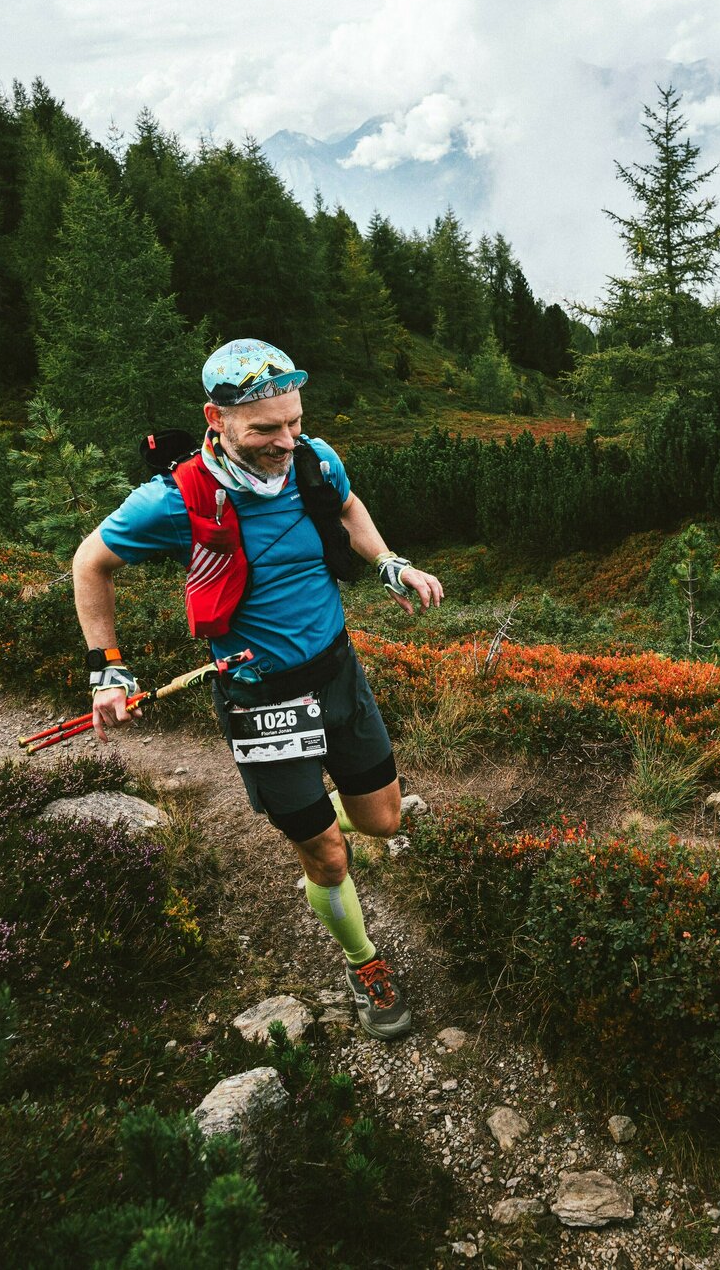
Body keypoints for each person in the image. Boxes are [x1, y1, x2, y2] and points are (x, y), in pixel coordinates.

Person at [71, 338, 444, 1041]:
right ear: (216, 418)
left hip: (337, 676)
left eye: (293, 422)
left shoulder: (314, 459)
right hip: (260, 701)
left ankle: (319, 802)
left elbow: (348, 505)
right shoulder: (172, 501)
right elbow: (90, 562)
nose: (285, 440)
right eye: (265, 429)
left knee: (383, 824)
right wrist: (108, 667)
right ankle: (363, 961)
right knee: (329, 855)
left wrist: (390, 562)